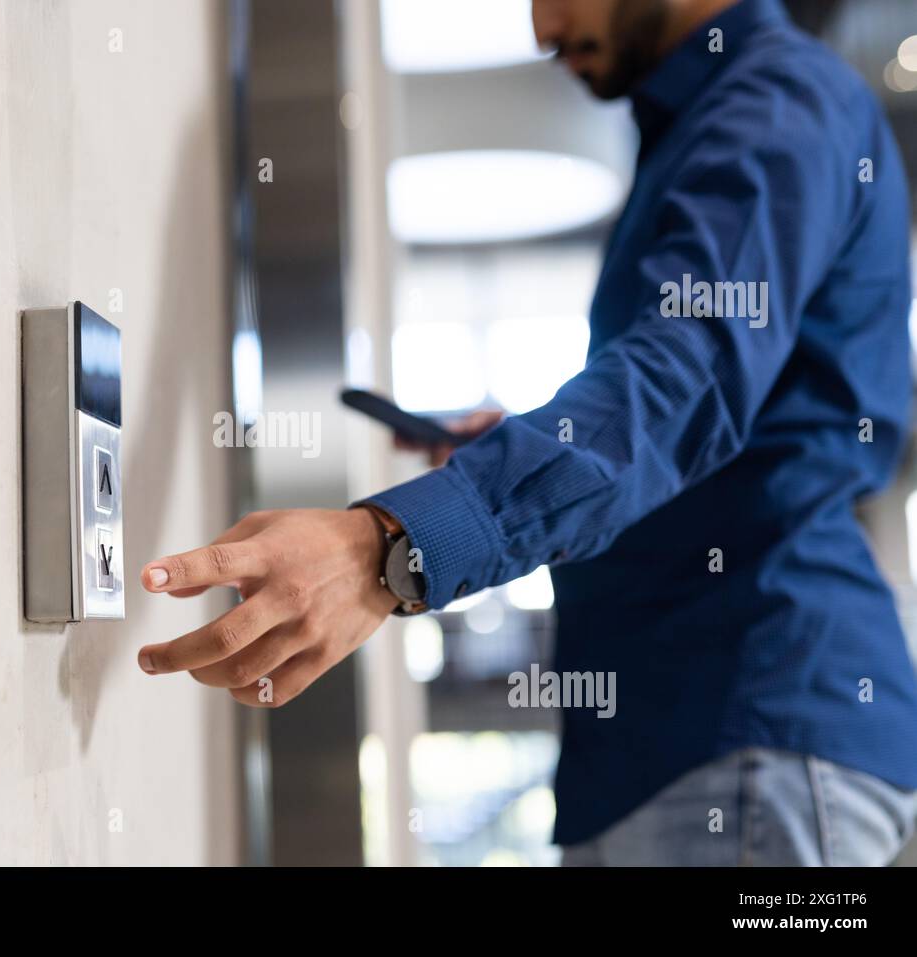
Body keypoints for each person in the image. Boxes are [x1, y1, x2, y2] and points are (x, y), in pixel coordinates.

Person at [136, 0, 917, 865]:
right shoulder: (728, 117)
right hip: (688, 747)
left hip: (748, 723)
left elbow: (679, 383)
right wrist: (521, 449)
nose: (543, 30)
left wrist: (388, 549)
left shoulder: (775, 103)